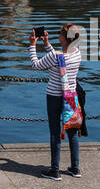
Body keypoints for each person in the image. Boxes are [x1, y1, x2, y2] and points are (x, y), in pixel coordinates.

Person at [29, 24, 82, 180]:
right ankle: (75, 168)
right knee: (72, 131)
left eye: (59, 33)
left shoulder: (56, 56)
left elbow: (36, 65)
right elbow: (59, 60)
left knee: (54, 132)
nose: (57, 34)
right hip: (71, 95)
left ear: (64, 38)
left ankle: (55, 170)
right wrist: (47, 45)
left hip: (54, 97)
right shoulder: (77, 53)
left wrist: (33, 45)